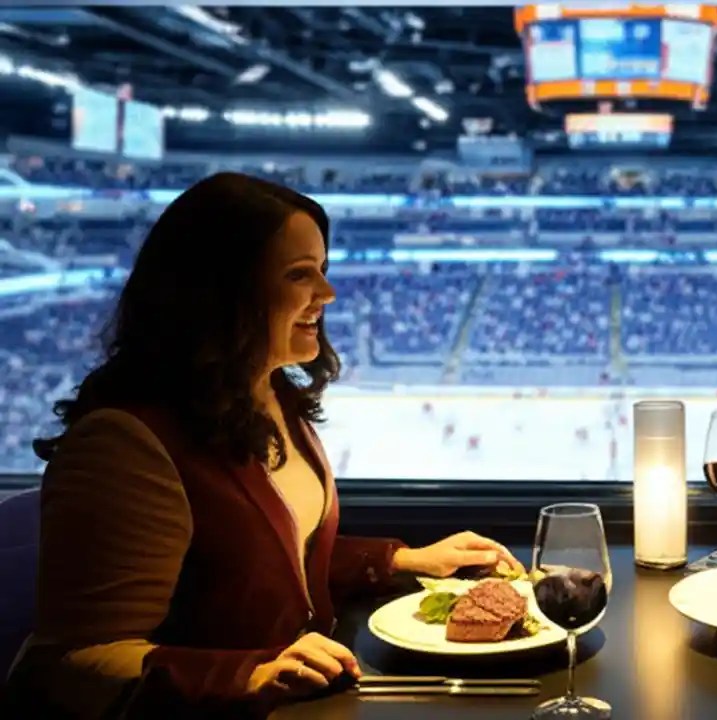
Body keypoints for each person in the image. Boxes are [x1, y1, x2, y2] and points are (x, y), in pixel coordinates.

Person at [3, 173, 523, 719]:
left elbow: (264, 559)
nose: (328, 294)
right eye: (300, 275)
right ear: (222, 291)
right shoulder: (124, 445)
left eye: (322, 270)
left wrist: (400, 559)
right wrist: (250, 673)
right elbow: (71, 663)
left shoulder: (271, 394)